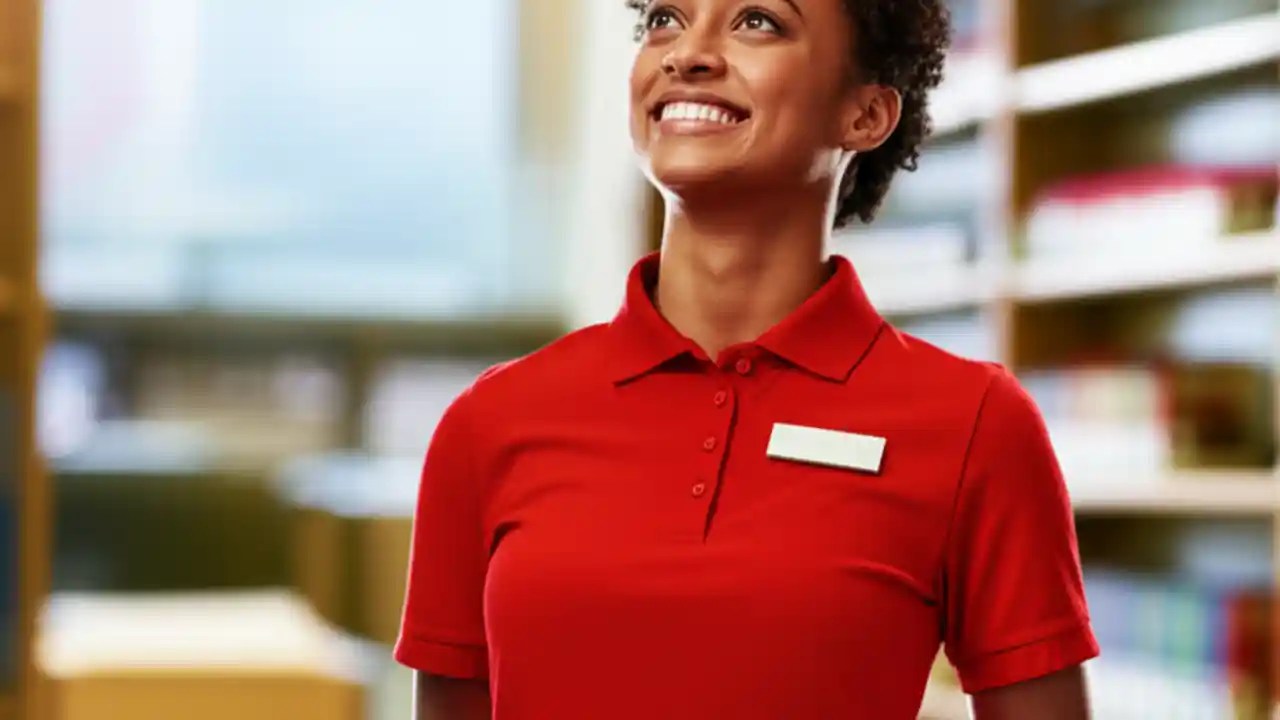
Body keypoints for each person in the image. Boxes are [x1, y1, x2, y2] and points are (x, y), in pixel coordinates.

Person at [395, 0, 1099, 717]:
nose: (687, 53)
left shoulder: (977, 427)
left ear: (865, 115)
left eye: (757, 21)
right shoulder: (490, 423)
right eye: (665, 19)